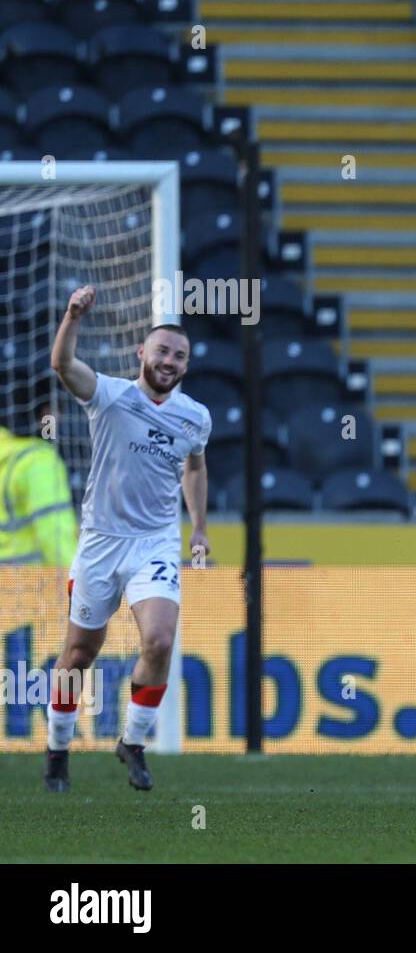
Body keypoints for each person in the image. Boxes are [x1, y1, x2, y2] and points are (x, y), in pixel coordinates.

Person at [44, 285, 211, 793]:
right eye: (162, 351)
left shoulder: (194, 416)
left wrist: (199, 526)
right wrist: (73, 316)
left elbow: (195, 465)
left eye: (179, 356)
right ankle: (57, 749)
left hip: (155, 543)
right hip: (100, 542)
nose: (169, 361)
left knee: (159, 640)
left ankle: (133, 742)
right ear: (142, 353)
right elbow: (62, 365)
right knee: (79, 655)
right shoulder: (111, 395)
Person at [0, 399, 77, 567]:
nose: (58, 417)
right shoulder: (39, 461)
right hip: (30, 586)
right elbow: (55, 538)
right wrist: (76, 588)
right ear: (43, 412)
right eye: (55, 410)